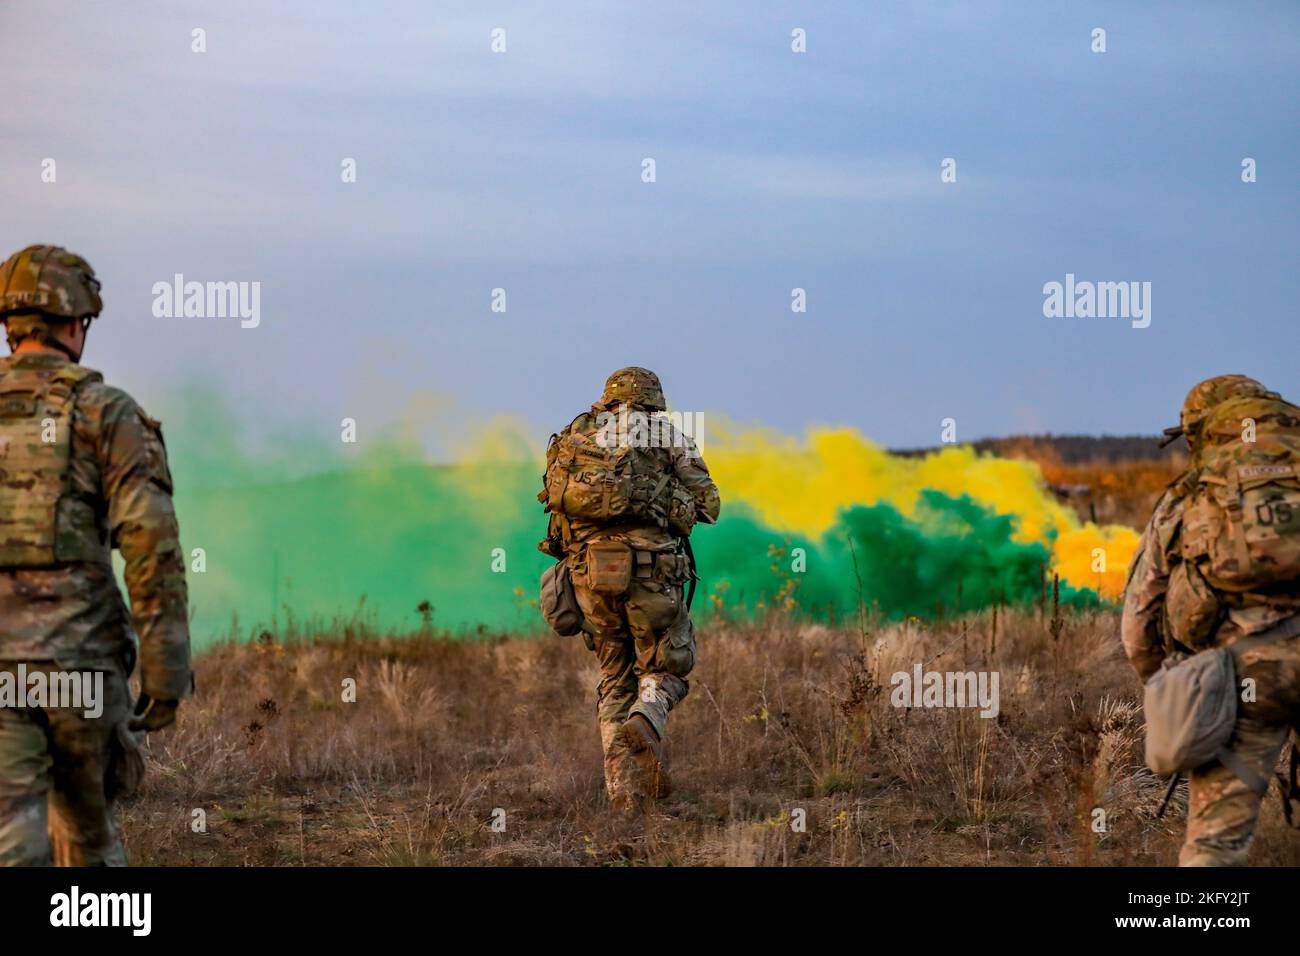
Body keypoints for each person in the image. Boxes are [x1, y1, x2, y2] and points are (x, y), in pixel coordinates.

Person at [0, 244, 192, 865]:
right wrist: (165, 675)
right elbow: (150, 546)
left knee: (11, 838)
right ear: (77, 323)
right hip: (79, 671)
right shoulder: (106, 413)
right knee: (86, 835)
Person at [539, 367, 720, 808]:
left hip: (588, 575)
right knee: (667, 666)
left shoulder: (573, 436)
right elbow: (710, 506)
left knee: (613, 679)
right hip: (651, 573)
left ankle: (623, 796)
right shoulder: (665, 434)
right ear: (654, 397)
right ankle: (646, 718)